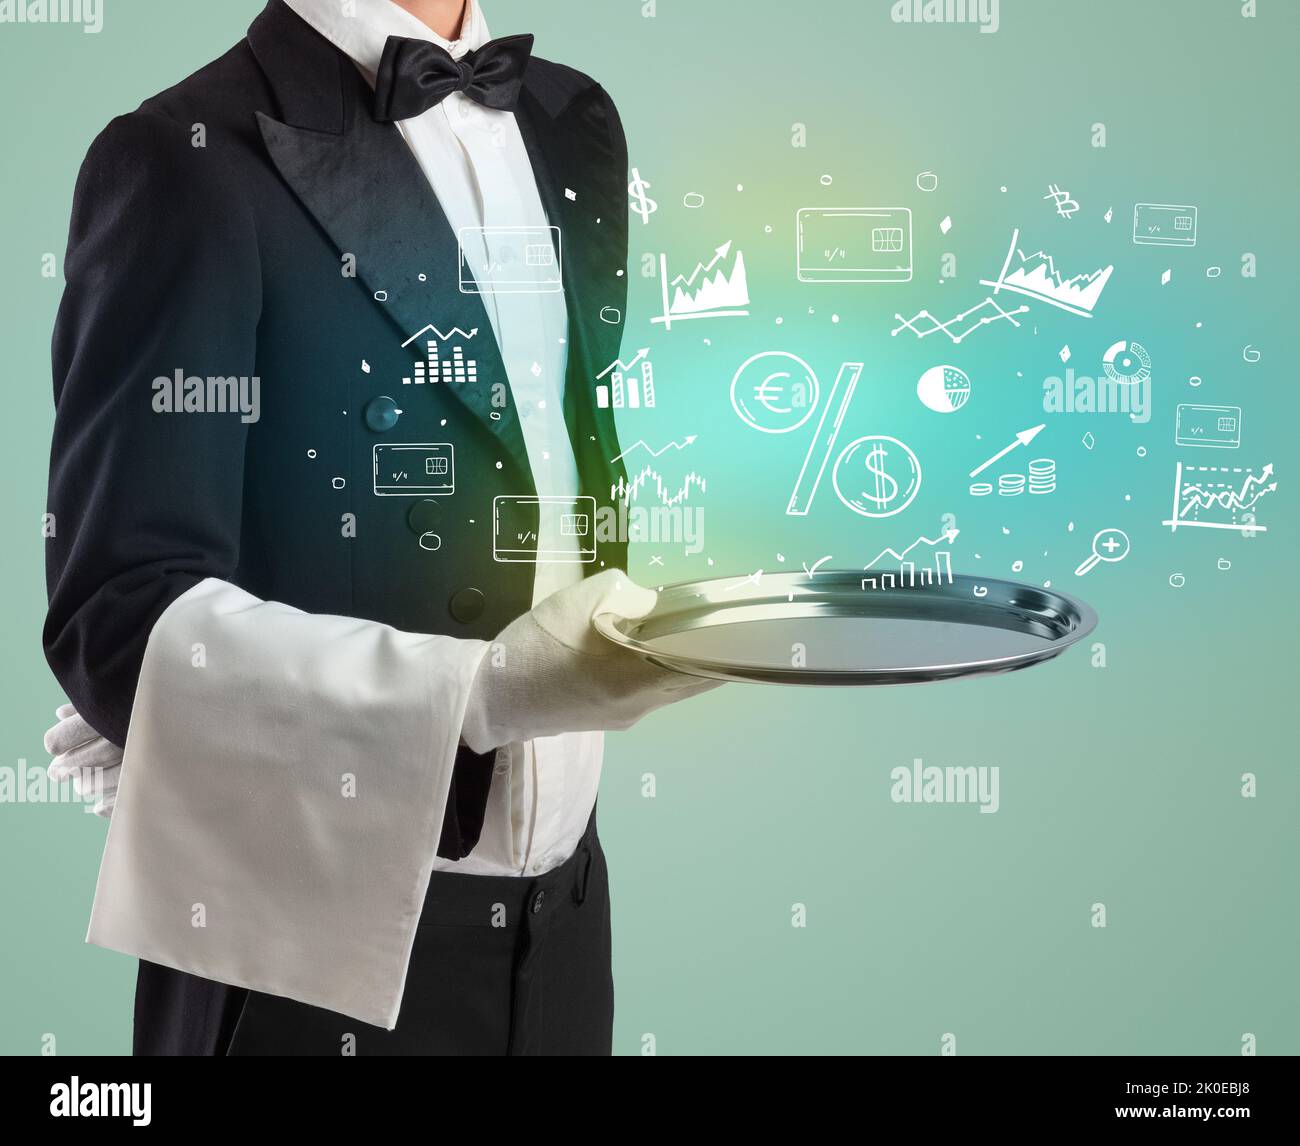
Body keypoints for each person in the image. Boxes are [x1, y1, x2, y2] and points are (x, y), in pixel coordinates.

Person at [43, 0, 717, 1056]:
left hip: (570, 925)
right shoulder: (182, 158)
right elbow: (121, 618)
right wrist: (482, 693)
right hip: (313, 947)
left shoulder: (567, 114)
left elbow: (543, 468)